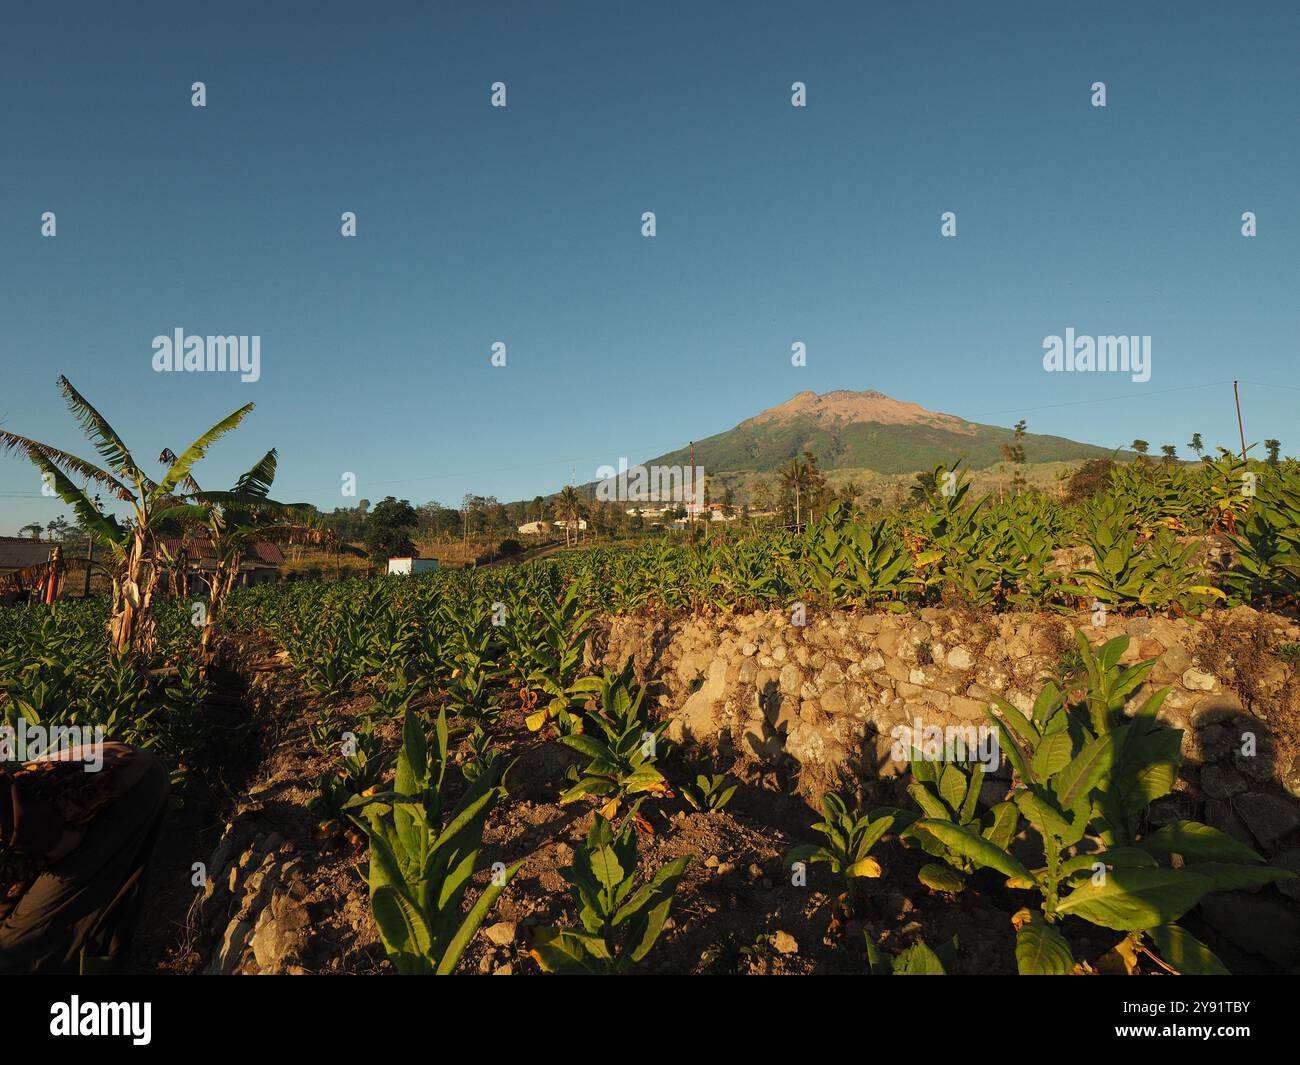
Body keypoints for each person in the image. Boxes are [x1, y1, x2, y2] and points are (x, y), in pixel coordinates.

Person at [0, 742, 170, 974]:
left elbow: (57, 838)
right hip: (134, 769)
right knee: (109, 904)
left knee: (20, 939)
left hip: (115, 785)